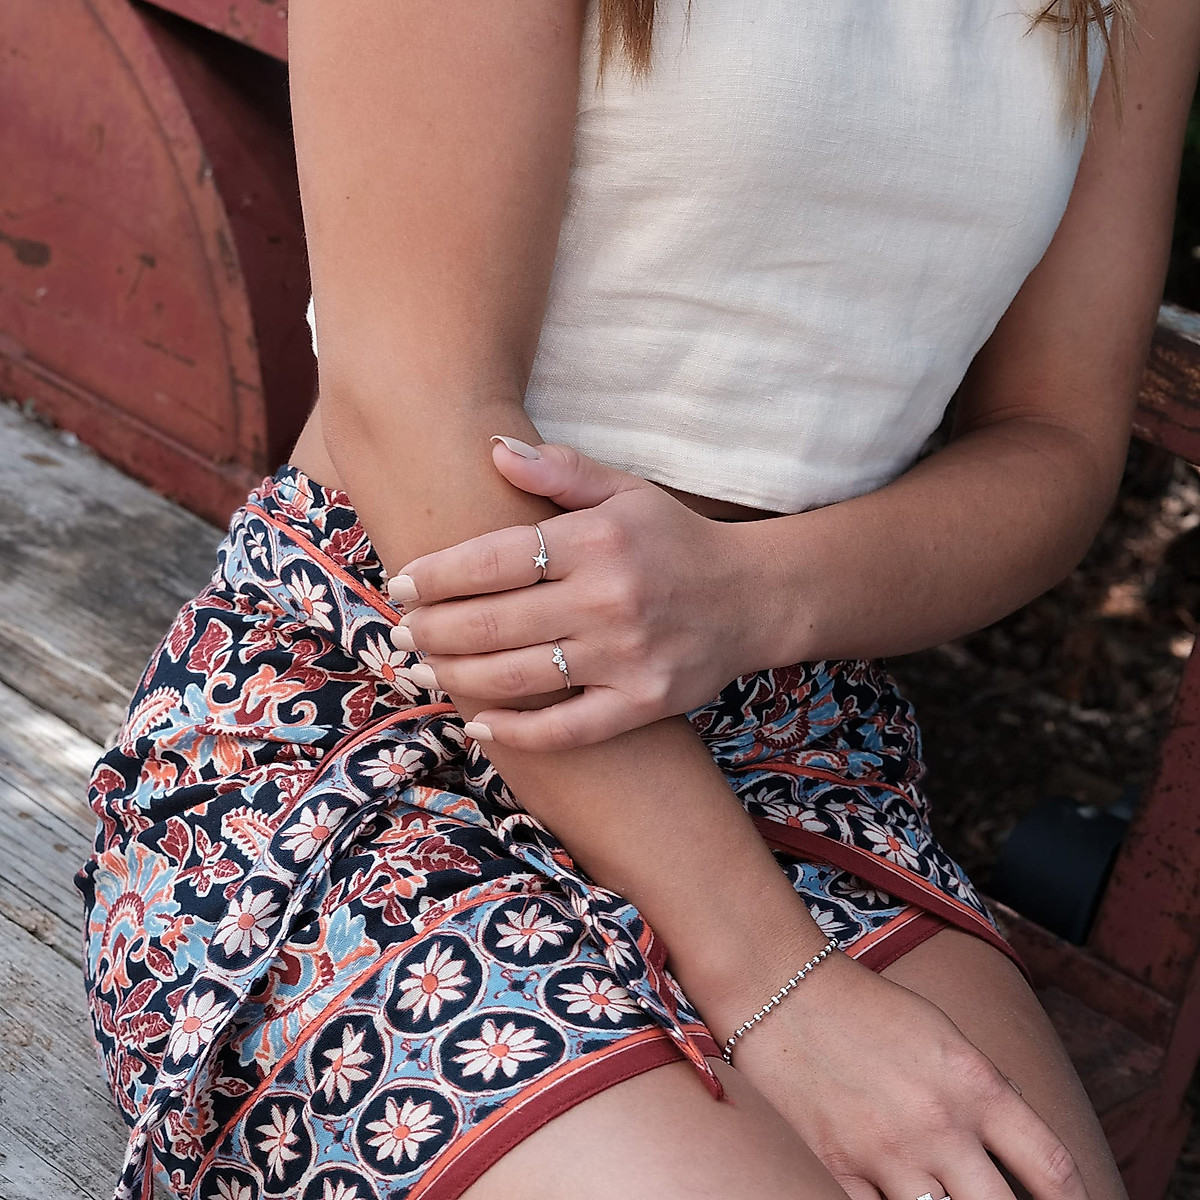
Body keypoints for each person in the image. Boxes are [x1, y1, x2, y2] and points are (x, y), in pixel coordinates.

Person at [74, 1, 1199, 1197]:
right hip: (383, 701)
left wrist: (751, 596)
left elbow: (1057, 439)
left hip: (781, 738)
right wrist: (785, 990)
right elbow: (413, 400)